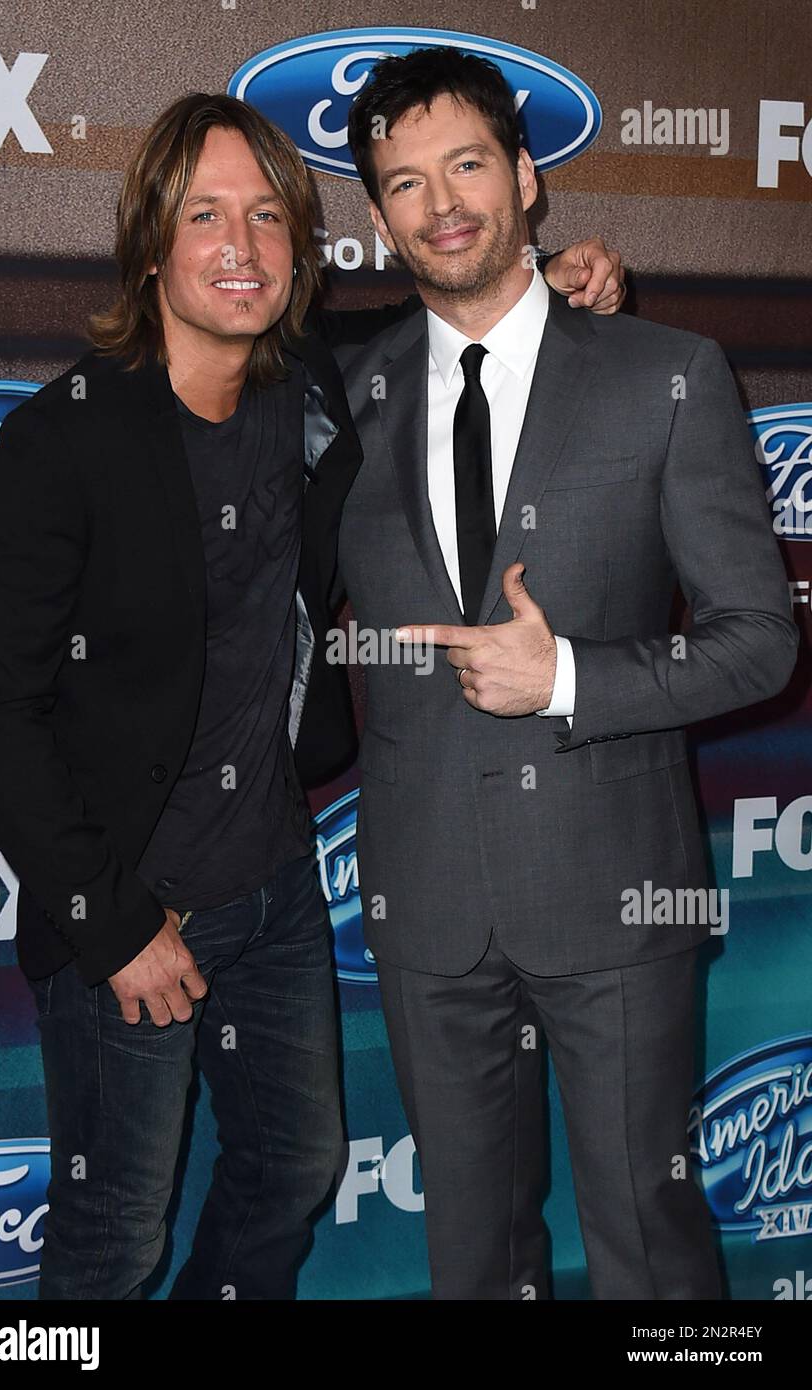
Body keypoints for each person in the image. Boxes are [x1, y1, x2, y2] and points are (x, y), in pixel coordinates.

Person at [0, 88, 624, 1300]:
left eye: (268, 216)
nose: (241, 247)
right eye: (206, 214)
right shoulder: (68, 436)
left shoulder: (313, 380)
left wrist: (557, 272)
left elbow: (442, 314)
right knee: (113, 1234)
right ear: (153, 239)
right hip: (130, 904)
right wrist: (112, 926)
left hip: (270, 888)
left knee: (293, 1162)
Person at [334, 47, 798, 1299]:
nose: (443, 203)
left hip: (619, 898)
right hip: (426, 899)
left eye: (470, 164)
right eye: (405, 183)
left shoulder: (668, 373)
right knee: (473, 1262)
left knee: (652, 1251)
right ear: (377, 219)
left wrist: (575, 679)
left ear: (529, 177)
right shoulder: (336, 392)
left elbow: (761, 635)